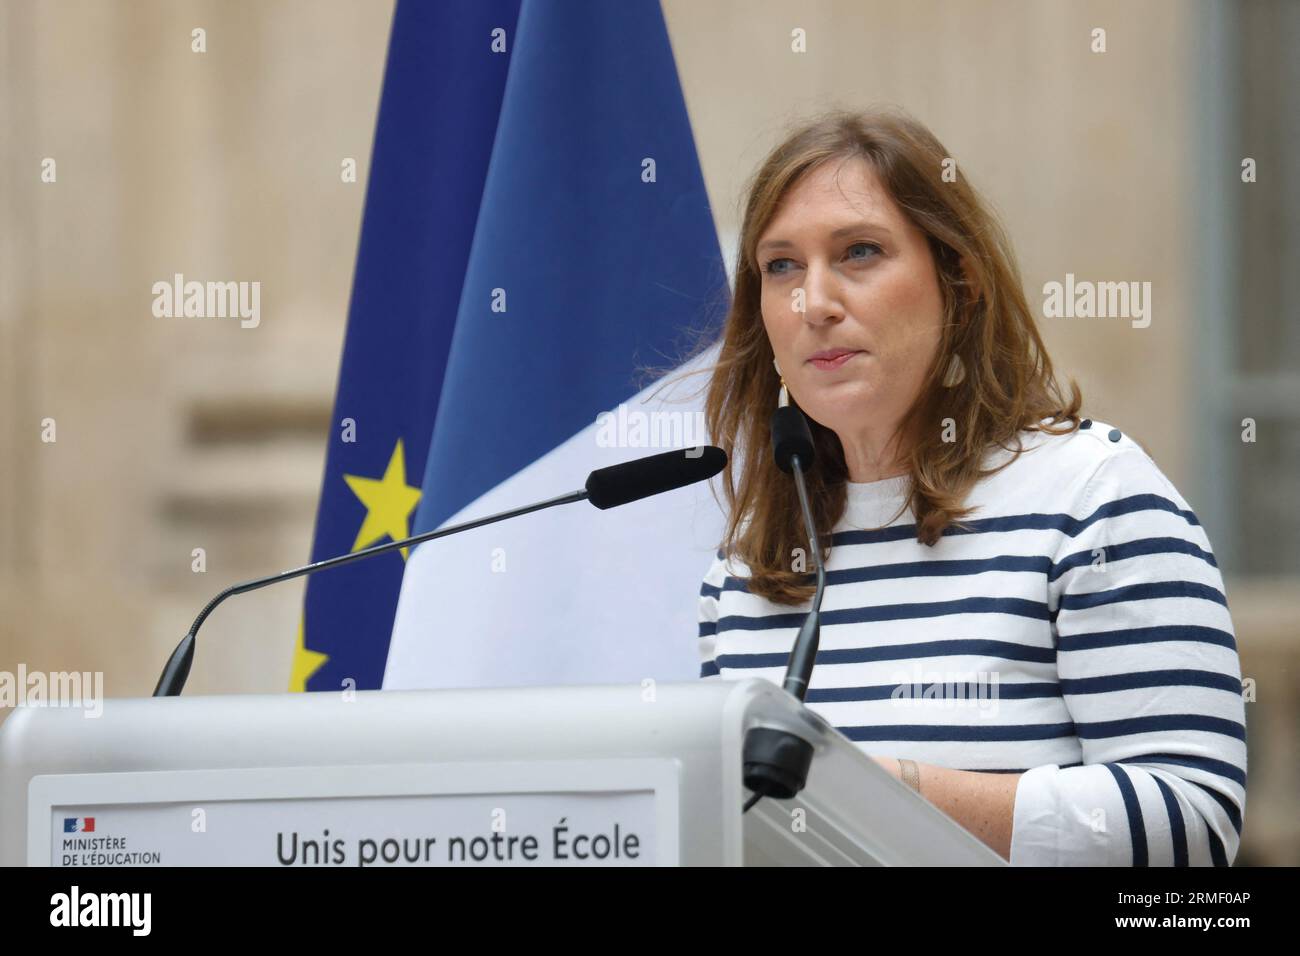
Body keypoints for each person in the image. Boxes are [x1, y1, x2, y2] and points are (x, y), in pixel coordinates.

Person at [697, 108, 1246, 865]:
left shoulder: (1092, 496)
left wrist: (884, 793)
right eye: (781, 266)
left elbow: (1192, 822)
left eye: (859, 252)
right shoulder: (744, 560)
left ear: (961, 281)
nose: (812, 303)